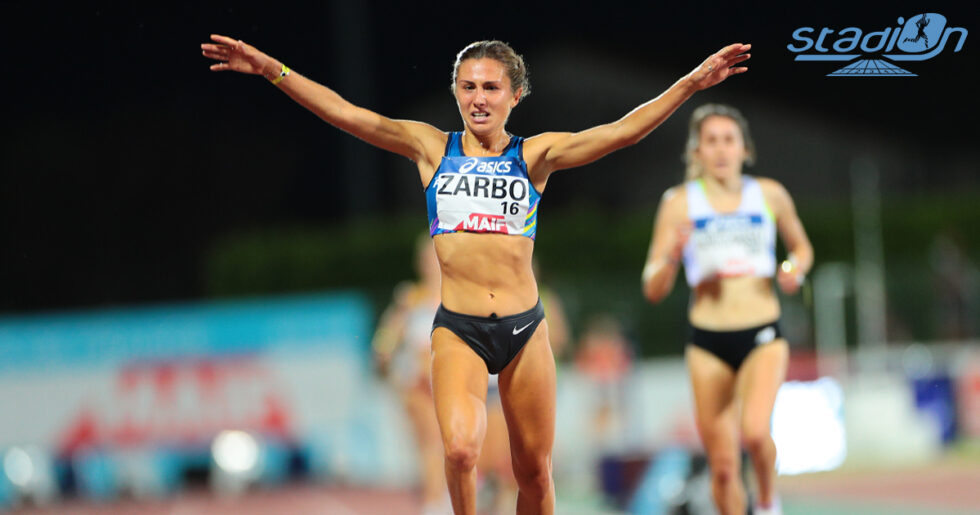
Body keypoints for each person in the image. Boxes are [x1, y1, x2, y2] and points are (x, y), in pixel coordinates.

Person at [202, 35, 749, 515]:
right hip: (458, 328)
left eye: (490, 87)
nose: (478, 98)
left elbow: (621, 133)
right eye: (467, 87)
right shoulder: (429, 148)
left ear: (515, 95)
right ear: (455, 92)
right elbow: (348, 115)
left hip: (523, 330)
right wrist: (273, 69)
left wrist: (689, 84)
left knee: (533, 472)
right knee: (460, 450)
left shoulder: (534, 155)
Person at [641, 104, 813, 515]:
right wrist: (671, 257)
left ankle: (769, 503)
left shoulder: (769, 194)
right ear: (696, 152)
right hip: (707, 342)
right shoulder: (678, 204)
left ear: (744, 149)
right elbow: (652, 286)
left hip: (762, 334)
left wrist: (793, 271)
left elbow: (801, 249)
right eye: (711, 141)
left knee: (754, 433)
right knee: (721, 467)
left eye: (728, 140)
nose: (720, 150)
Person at [373, 235, 449, 514]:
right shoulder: (410, 296)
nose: (431, 263)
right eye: (427, 258)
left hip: (451, 382)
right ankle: (433, 503)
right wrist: (383, 352)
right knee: (431, 441)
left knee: (455, 446)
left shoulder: (460, 296)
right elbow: (388, 333)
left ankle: (446, 497)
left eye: (435, 256)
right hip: (418, 382)